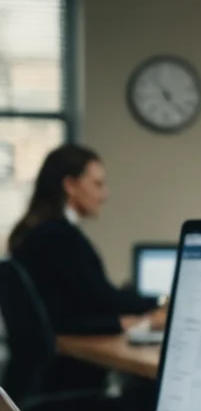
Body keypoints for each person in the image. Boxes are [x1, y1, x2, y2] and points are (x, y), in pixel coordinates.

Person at [8, 144, 163, 336]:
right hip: (68, 360)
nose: (105, 195)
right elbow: (102, 300)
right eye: (98, 184)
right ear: (70, 186)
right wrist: (158, 305)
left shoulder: (31, 231)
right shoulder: (59, 236)